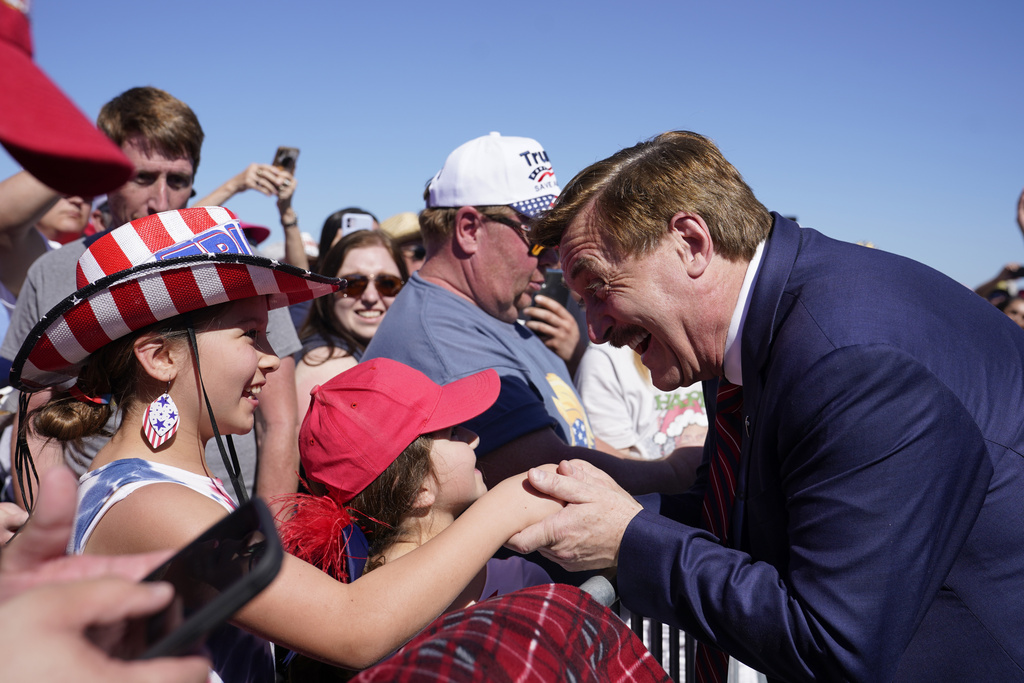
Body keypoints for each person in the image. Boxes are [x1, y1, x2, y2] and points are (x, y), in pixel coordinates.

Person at [511, 130, 1024, 681]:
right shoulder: (747, 337)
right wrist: (585, 514)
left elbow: (831, 642)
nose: (595, 328)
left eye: (599, 287)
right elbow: (726, 516)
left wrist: (630, 540)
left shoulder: (850, 361)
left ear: (690, 243)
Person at [9, 206, 565, 680]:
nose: (271, 358)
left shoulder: (152, 490)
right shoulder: (155, 507)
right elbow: (351, 626)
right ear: (160, 357)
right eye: (249, 335)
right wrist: (505, 505)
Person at [1, 86, 302, 508]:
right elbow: (34, 423)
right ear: (106, 181)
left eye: (177, 180)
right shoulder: (53, 272)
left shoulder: (235, 267)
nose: (160, 200)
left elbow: (280, 420)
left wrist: (270, 543)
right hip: (104, 520)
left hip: (228, 520)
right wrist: (49, 538)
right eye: (142, 177)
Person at [364, 132, 696, 494]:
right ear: (469, 229)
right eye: (537, 233)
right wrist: (676, 473)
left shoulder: (489, 314)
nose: (553, 257)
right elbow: (545, 471)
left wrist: (657, 467)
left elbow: (572, 438)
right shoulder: (443, 339)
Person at [277, 359, 552, 680]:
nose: (474, 436)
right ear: (416, 489)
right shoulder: (521, 581)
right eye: (453, 432)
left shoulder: (347, 601)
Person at [294, 230, 406, 419]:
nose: (370, 297)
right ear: (328, 291)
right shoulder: (330, 367)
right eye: (352, 284)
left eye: (387, 283)